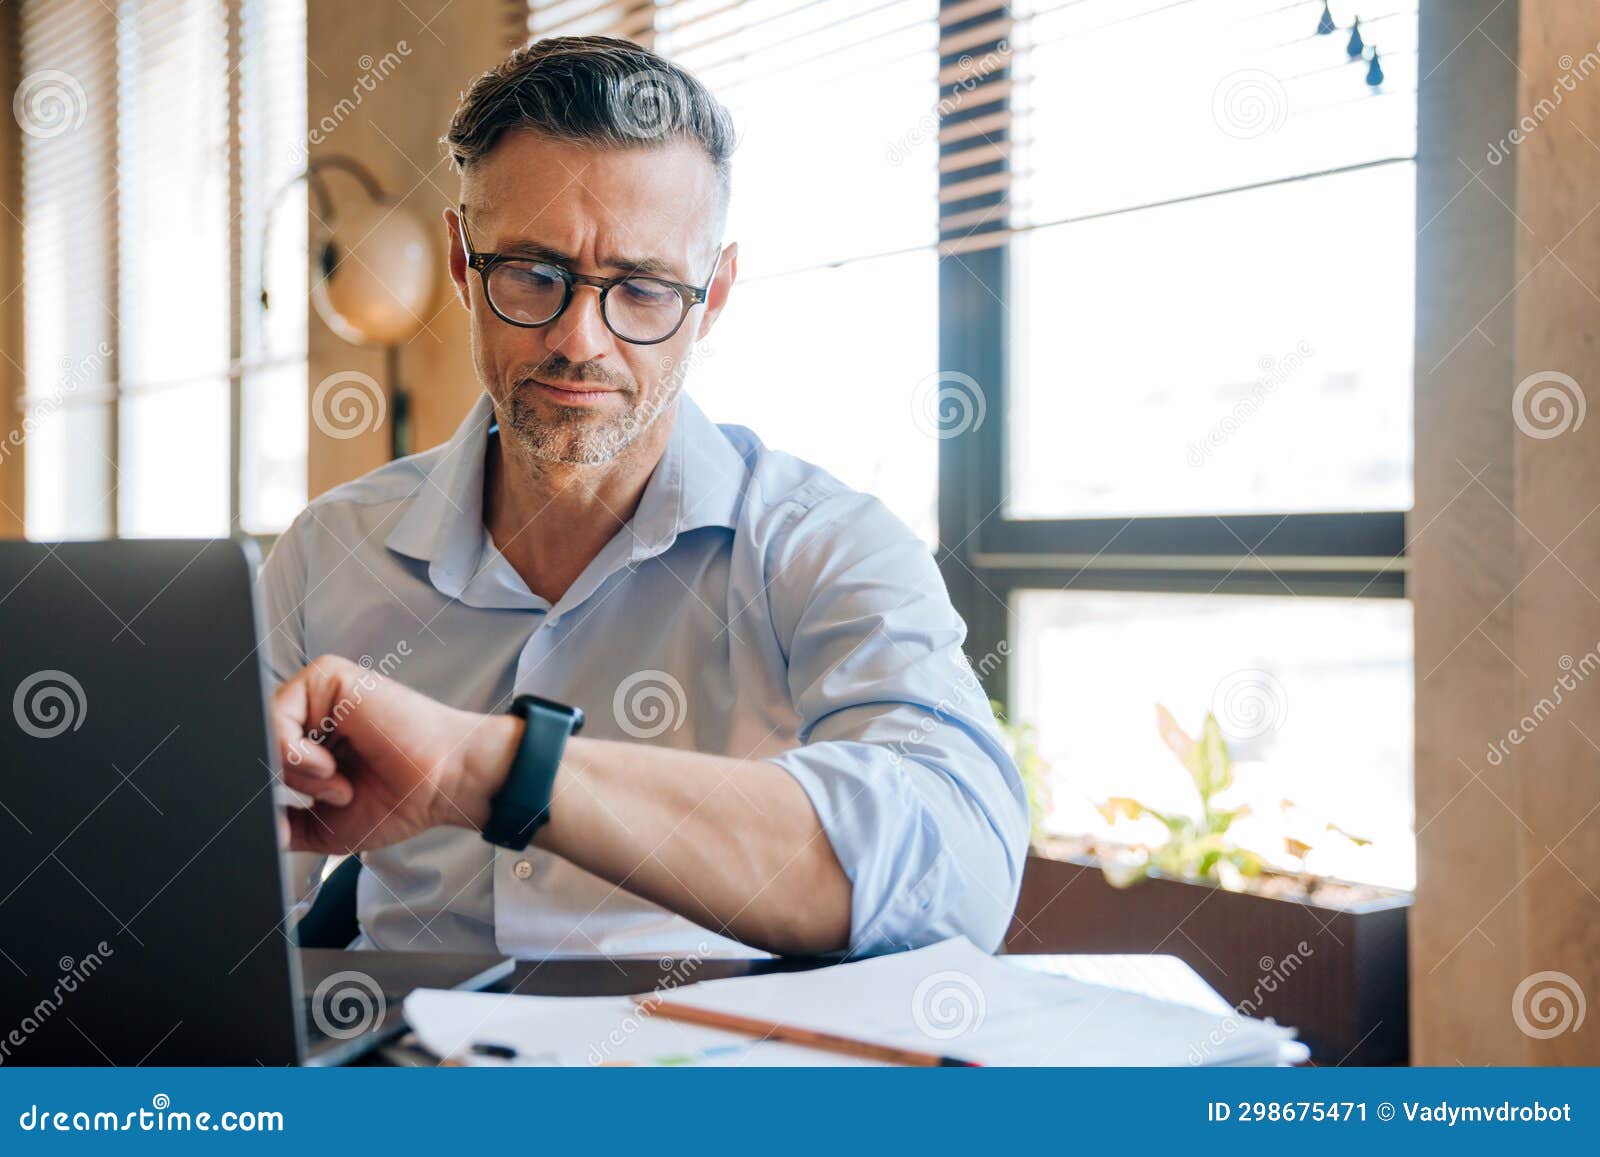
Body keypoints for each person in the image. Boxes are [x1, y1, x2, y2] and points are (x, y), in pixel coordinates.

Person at [262, 35, 1027, 960]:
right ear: (464, 262)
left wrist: (488, 767)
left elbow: (961, 870)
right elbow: (208, 896)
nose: (582, 339)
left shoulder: (825, 546)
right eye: (535, 276)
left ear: (716, 293)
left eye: (644, 288)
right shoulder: (327, 551)